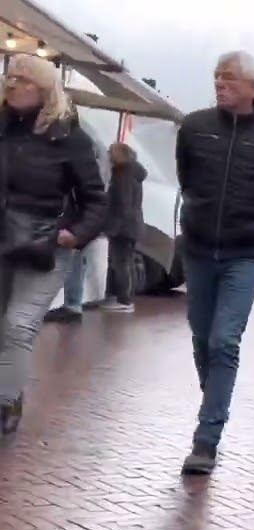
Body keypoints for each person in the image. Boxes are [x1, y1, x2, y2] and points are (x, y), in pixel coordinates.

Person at [175, 50, 254, 474]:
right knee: (201, 337)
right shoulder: (194, 128)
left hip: (245, 253)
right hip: (199, 247)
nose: (220, 85)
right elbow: (186, 178)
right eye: (217, 78)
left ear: (252, 88)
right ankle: (217, 396)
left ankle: (207, 439)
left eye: (229, 79)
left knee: (225, 340)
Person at [0, 54, 107, 433]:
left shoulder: (70, 138)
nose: (12, 85)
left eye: (23, 80)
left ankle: (5, 403)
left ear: (45, 90)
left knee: (17, 325)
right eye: (9, 77)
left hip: (44, 246)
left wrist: (75, 234)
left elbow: (96, 198)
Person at [99, 142, 146, 313]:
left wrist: (111, 227)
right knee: (126, 261)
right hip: (133, 224)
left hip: (123, 226)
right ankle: (126, 297)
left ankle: (124, 300)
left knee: (121, 262)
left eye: (111, 152)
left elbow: (122, 204)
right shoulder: (134, 173)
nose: (109, 155)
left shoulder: (123, 174)